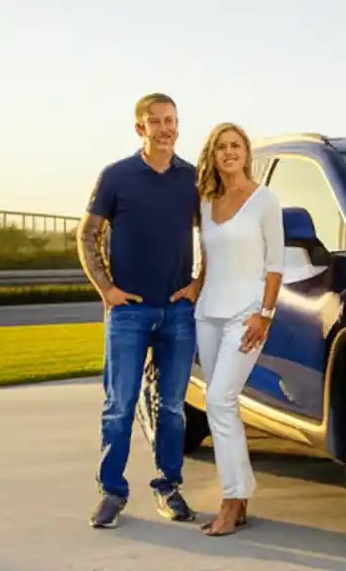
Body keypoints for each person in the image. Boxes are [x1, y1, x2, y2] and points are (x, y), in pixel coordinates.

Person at [78, 92, 201, 529]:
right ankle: (112, 492)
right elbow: (87, 235)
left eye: (172, 120)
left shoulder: (193, 179)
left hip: (177, 313)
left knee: (172, 408)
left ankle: (169, 487)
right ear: (140, 129)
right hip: (128, 314)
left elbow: (215, 234)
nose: (166, 128)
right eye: (157, 122)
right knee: (120, 405)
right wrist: (106, 289)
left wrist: (197, 284)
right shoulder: (116, 177)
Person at [191, 122, 284, 536]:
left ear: (247, 153)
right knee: (221, 406)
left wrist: (265, 314)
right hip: (207, 313)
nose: (229, 152)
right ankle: (240, 495)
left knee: (219, 401)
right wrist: (194, 286)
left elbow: (275, 265)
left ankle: (231, 501)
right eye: (221, 147)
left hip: (246, 316)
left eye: (236, 146)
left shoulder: (265, 200)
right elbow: (209, 259)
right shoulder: (206, 201)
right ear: (213, 156)